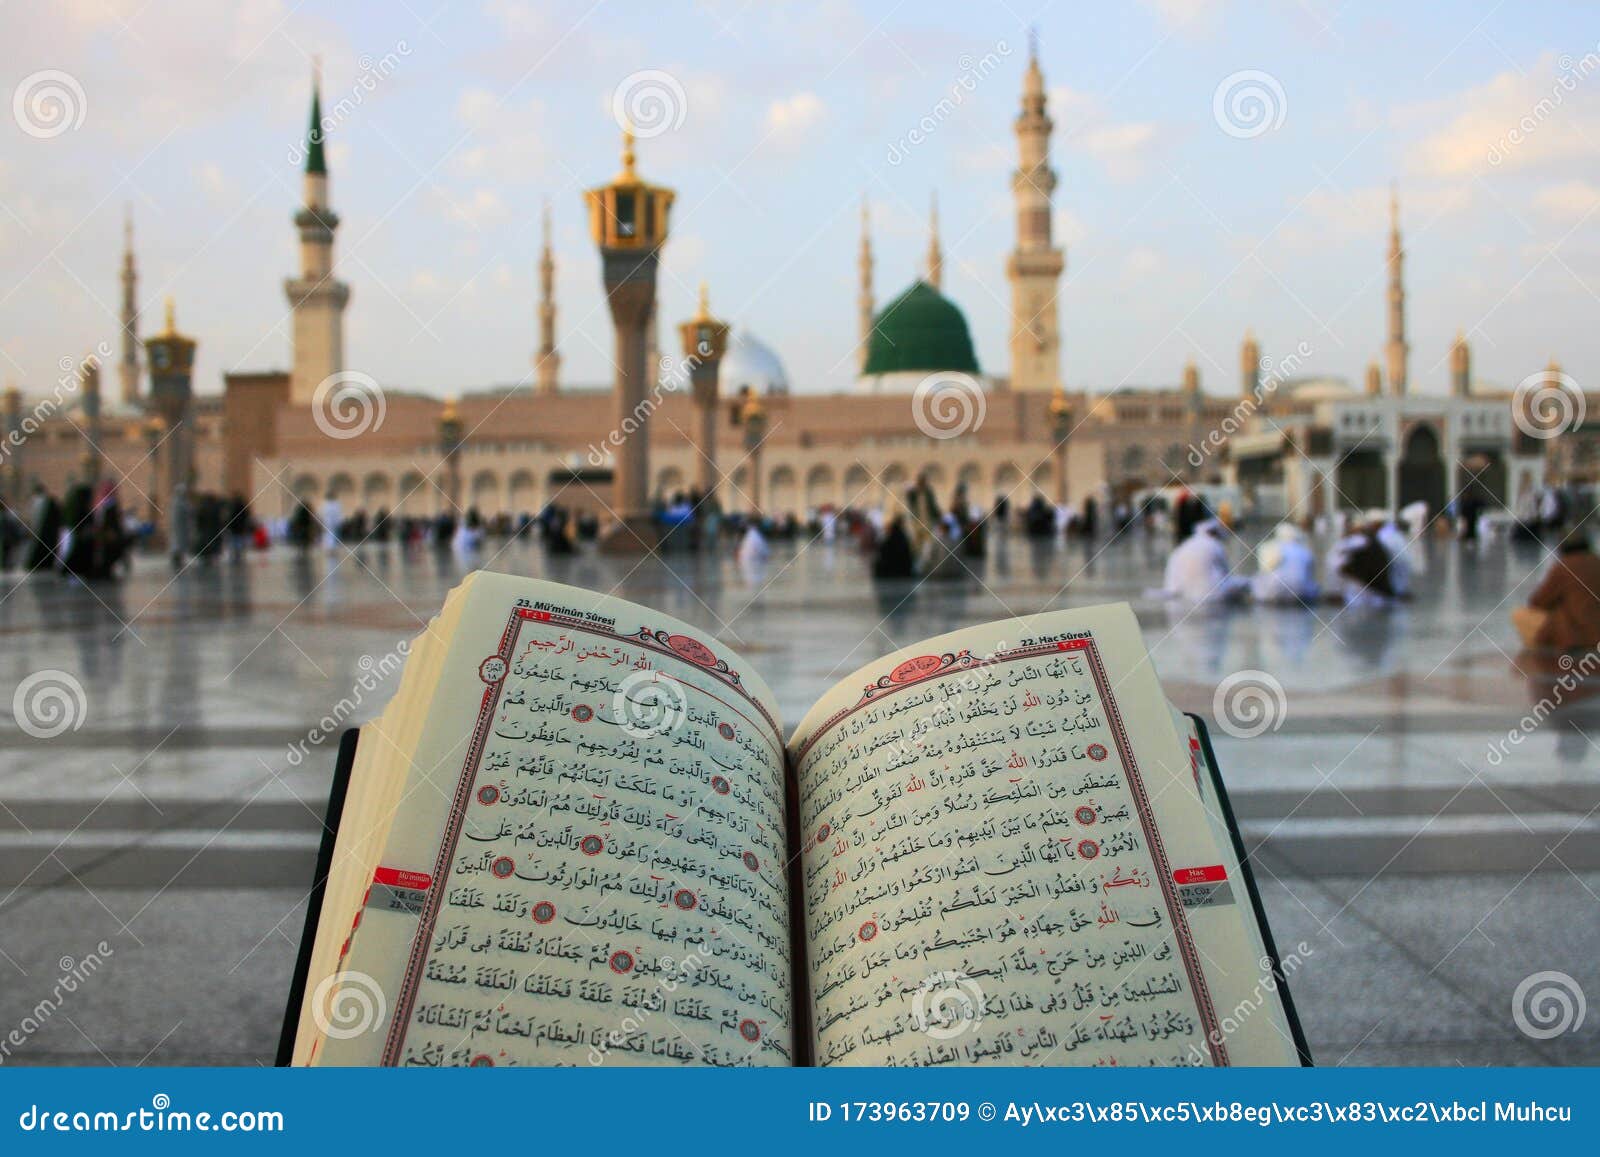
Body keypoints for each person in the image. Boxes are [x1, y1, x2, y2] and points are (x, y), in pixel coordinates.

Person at [1513, 528, 1600, 651]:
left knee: (1519, 614)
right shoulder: (1596, 561)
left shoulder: (1564, 566)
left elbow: (1538, 602)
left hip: (1577, 636)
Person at [1161, 519, 1248, 604]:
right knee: (1246, 583)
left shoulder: (1181, 548)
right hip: (1212, 596)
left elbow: (1171, 582)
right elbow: (1226, 575)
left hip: (1183, 595)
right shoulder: (1215, 546)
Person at [1329, 520, 1395, 607]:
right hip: (1375, 593)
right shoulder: (1371, 542)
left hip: (1370, 593)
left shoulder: (1358, 543)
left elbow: (1340, 565)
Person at [1251, 523, 1319, 604]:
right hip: (1303, 593)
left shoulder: (1272, 546)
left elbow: (1264, 570)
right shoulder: (1305, 551)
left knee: (1257, 579)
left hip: (1277, 592)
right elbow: (1309, 575)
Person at [871, 514, 916, 579]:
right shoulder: (901, 537)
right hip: (899, 569)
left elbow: (882, 549)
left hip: (893, 569)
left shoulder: (894, 537)